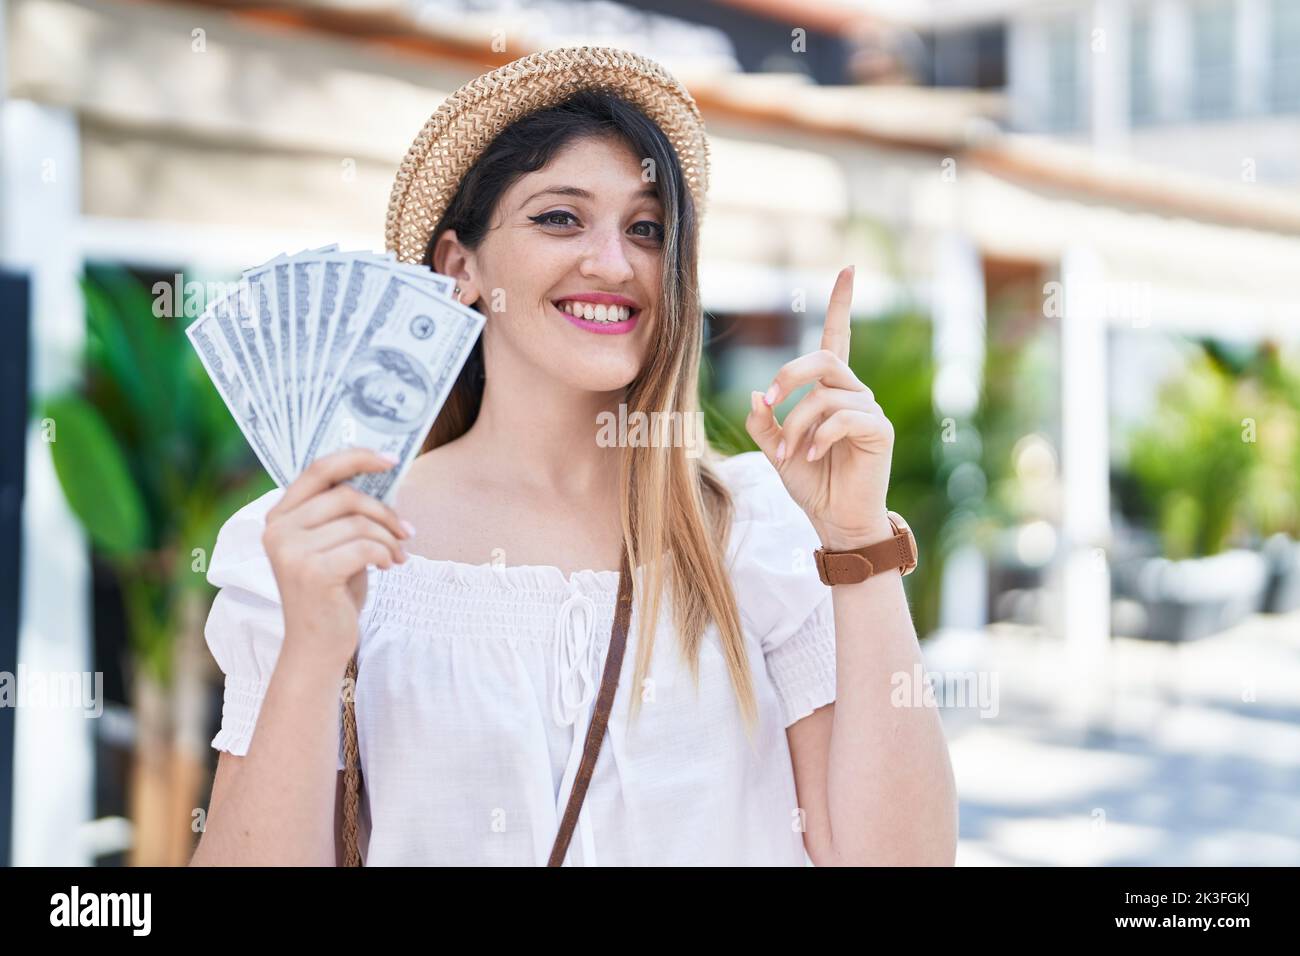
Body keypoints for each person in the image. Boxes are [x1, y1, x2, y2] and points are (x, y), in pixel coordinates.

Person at [188, 46, 957, 867]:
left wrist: (856, 539)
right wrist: (313, 643)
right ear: (460, 267)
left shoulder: (752, 532)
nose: (614, 262)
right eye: (560, 216)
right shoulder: (325, 540)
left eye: (647, 229)